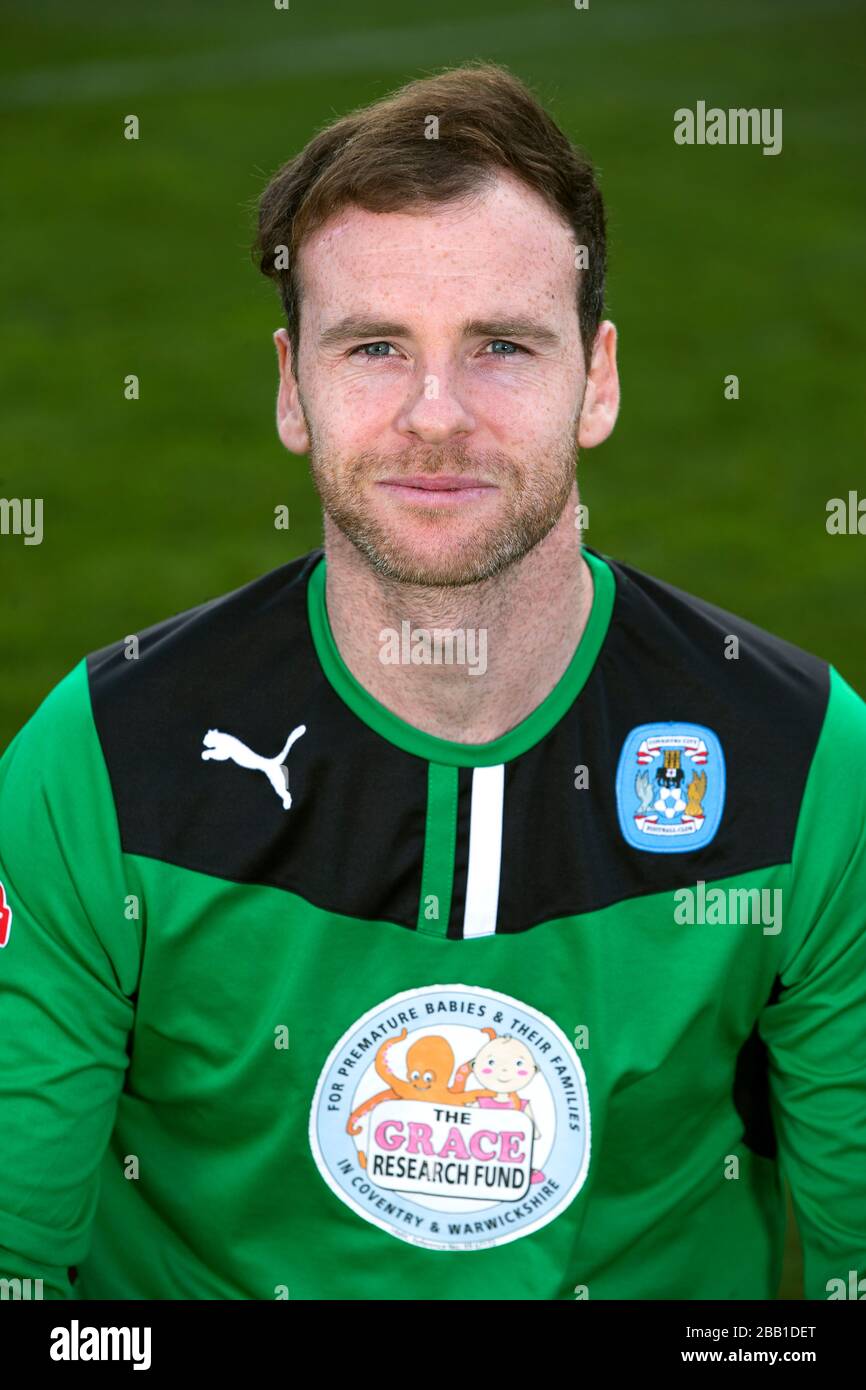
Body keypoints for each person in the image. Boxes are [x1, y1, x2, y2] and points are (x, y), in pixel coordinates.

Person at [1, 62, 864, 1301]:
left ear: (598, 377)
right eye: (374, 348)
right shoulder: (99, 763)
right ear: (292, 387)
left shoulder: (807, 768)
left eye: (502, 346)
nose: (434, 414)